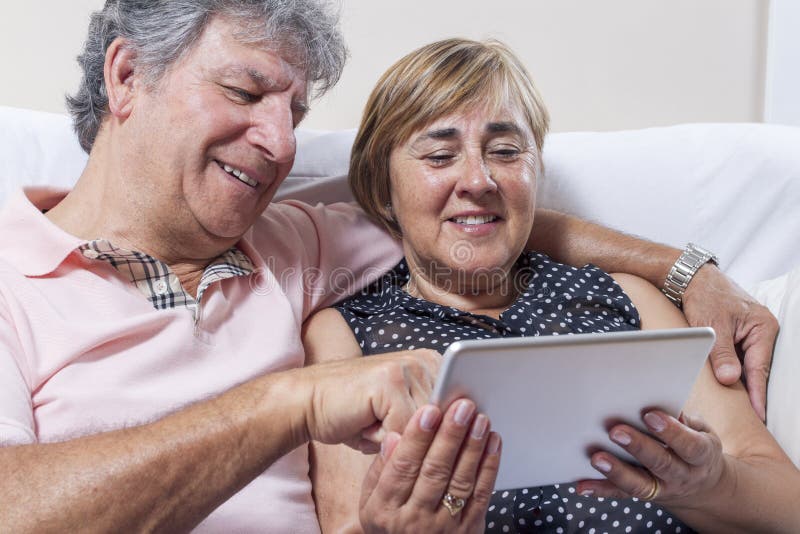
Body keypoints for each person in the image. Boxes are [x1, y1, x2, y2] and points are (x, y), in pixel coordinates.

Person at [0, 1, 778, 531]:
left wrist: (685, 269)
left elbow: (482, 216)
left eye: (295, 112)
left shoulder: (294, 243)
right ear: (127, 75)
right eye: (245, 91)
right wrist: (288, 403)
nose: (280, 143)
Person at [303, 38, 800, 533]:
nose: (479, 180)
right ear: (381, 187)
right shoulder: (347, 335)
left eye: (504, 151)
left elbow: (785, 500)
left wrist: (710, 485)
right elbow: (348, 521)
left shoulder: (630, 301)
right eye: (439, 155)